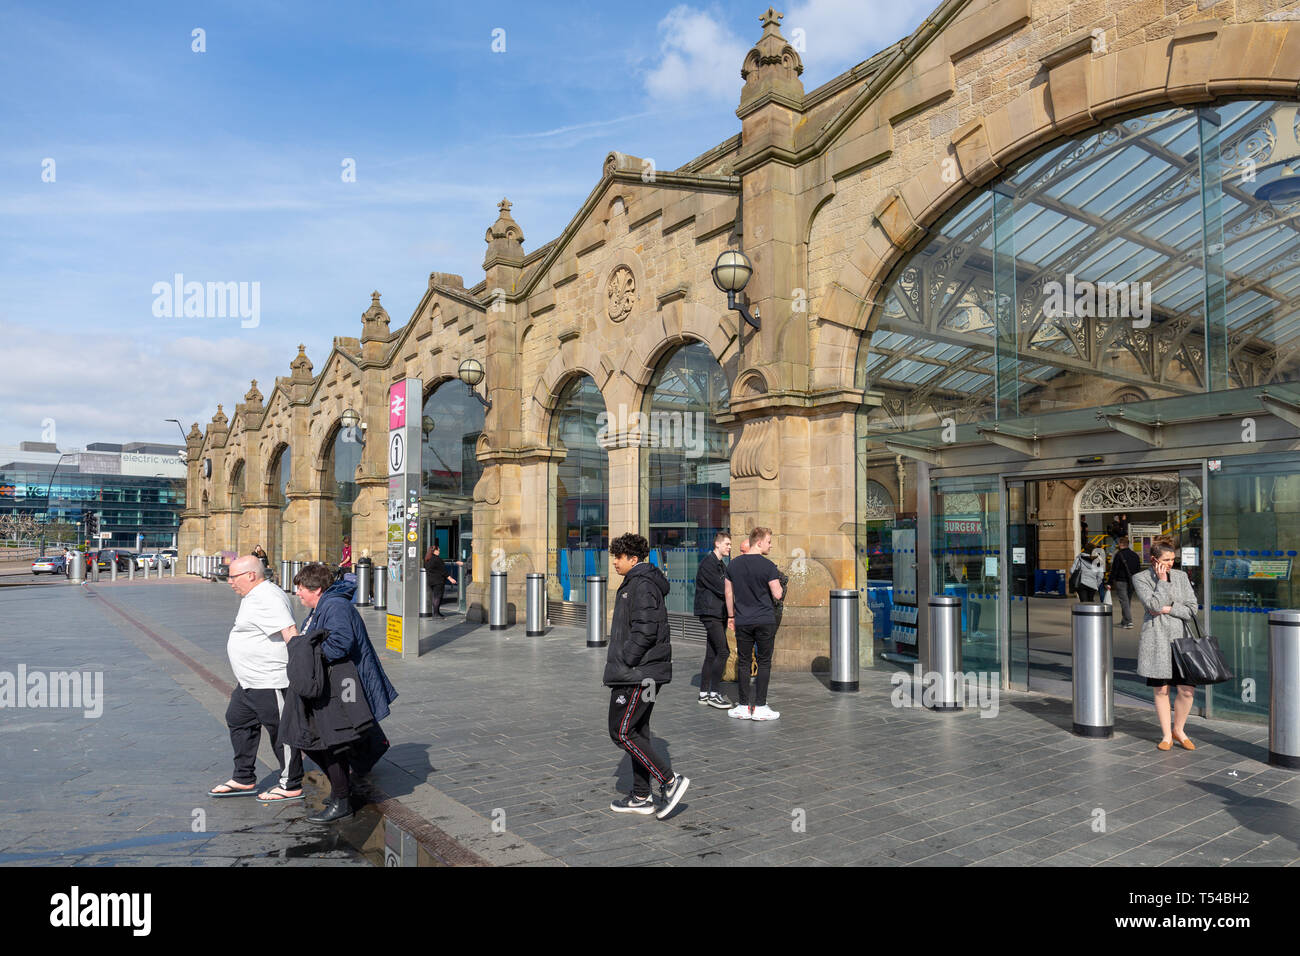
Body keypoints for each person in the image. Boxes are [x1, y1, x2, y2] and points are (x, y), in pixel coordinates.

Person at [286, 563, 398, 822]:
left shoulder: (335, 606)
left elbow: (339, 645)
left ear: (317, 589)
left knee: (328, 742)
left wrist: (304, 651)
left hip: (342, 687)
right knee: (320, 740)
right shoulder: (322, 606)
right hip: (332, 686)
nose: (299, 594)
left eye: (301, 589)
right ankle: (344, 789)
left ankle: (342, 798)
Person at [603, 532, 689, 818]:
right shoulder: (638, 583)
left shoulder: (641, 585)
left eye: (619, 556)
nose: (614, 561)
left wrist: (626, 661)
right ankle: (641, 796)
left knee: (622, 731)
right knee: (638, 731)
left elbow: (645, 629)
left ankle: (669, 781)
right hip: (643, 672)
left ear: (634, 559)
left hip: (640, 673)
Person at [208, 556, 304, 802]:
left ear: (251, 575)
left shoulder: (267, 596)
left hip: (270, 680)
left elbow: (290, 631)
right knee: (238, 719)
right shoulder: (254, 596)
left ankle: (290, 783)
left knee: (281, 732)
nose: (229, 582)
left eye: (233, 577)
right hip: (250, 681)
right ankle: (243, 778)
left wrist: (300, 670)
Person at [1133, 541, 1200, 751]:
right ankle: (1166, 735)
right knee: (1161, 689)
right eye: (1166, 560)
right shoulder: (1141, 578)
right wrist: (1162, 581)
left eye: (1173, 559)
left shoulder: (1181, 577)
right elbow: (1152, 606)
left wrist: (1168, 608)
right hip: (1156, 640)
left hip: (1182, 639)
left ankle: (1178, 730)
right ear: (1154, 560)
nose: (1170, 564)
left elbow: (1192, 610)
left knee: (1187, 690)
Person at [724, 527, 784, 721]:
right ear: (759, 542)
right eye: (768, 541)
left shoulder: (733, 565)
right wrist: (779, 586)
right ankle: (760, 706)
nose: (770, 545)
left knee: (744, 662)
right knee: (764, 662)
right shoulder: (768, 566)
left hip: (743, 620)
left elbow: (728, 593)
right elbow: (777, 594)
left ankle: (742, 705)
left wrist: (731, 616)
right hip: (765, 620)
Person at [693, 531, 732, 709]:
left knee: (712, 653)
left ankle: (703, 693)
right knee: (723, 652)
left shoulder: (721, 564)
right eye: (727, 544)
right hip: (711, 613)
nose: (729, 548)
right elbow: (721, 587)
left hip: (717, 612)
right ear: (717, 544)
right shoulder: (708, 564)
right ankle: (714, 694)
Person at [1109, 536, 1141, 628]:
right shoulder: (1135, 555)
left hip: (1121, 581)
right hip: (1132, 581)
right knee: (1127, 601)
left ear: (1120, 544)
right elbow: (1137, 569)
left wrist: (1109, 582)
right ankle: (1124, 621)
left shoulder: (1119, 555)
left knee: (1124, 601)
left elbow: (1114, 570)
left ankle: (1129, 621)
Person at [423, 543, 456, 617]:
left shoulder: (427, 559)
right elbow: (443, 571)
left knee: (435, 596)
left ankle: (437, 612)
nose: (439, 551)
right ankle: (436, 613)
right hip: (438, 581)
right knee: (438, 597)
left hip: (431, 581)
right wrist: (450, 578)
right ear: (434, 551)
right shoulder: (437, 559)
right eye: (438, 550)